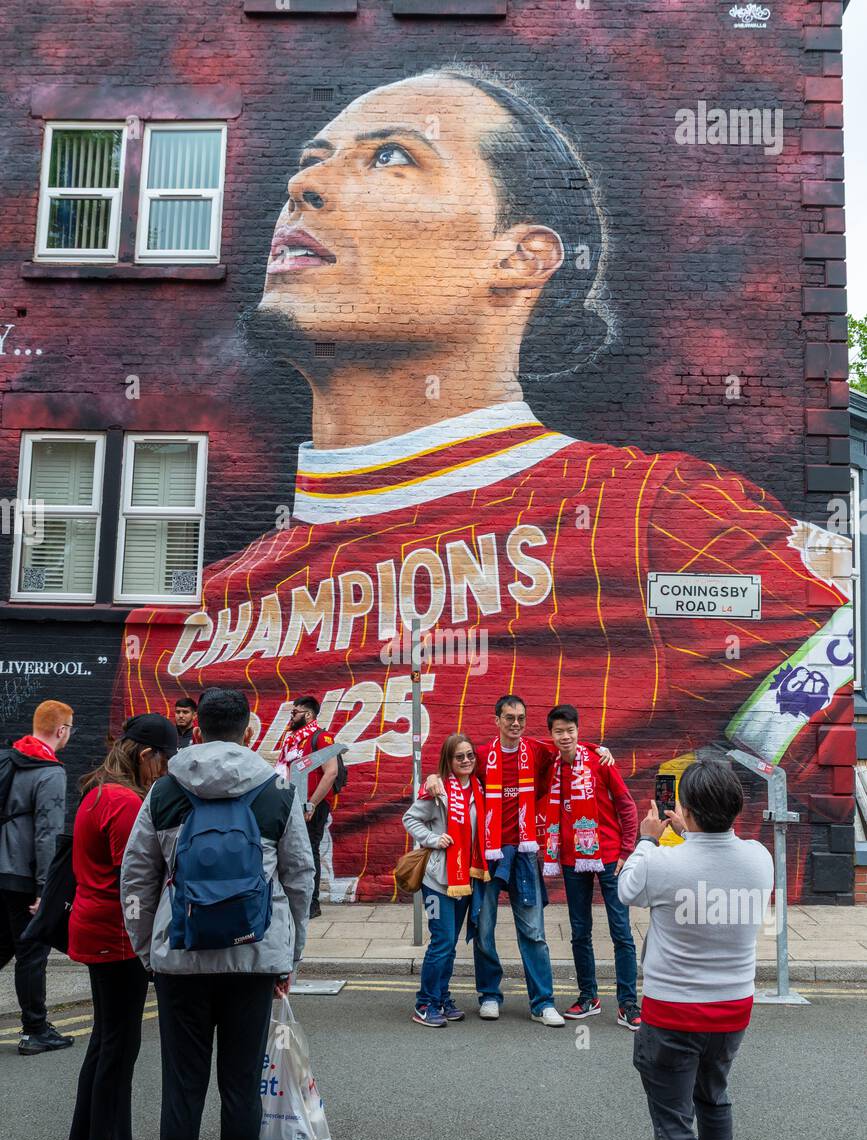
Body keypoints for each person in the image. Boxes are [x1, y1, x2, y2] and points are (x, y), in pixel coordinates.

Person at [116, 67, 851, 902]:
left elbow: (820, 765)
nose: (303, 184)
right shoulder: (182, 618)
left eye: (389, 157)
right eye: (311, 157)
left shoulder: (663, 517)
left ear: (519, 257)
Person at [120, 687, 314, 1140]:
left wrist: (147, 952)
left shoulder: (165, 789)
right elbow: (300, 878)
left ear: (196, 728)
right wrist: (288, 957)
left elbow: (137, 878)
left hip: (179, 962)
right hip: (253, 962)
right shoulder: (275, 788)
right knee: (238, 1090)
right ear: (250, 726)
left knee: (182, 1091)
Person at [616, 759, 773, 1140]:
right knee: (715, 1095)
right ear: (736, 808)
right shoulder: (759, 859)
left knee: (674, 1120)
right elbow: (716, 855)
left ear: (683, 808)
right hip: (732, 1010)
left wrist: (647, 837)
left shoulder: (661, 862)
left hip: (673, 1013)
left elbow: (626, 890)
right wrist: (687, 827)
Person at [57, 714, 178, 1140]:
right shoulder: (127, 803)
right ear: (147, 756)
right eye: (165, 762)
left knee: (103, 1052)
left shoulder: (99, 791)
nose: (166, 772)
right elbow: (139, 879)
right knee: (117, 1056)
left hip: (95, 927)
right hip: (116, 937)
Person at [541, 704, 640, 1030]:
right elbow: (521, 741)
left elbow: (626, 805)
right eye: (559, 731)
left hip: (610, 857)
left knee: (621, 931)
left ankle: (627, 1003)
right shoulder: (552, 765)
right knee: (579, 931)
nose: (565, 736)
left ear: (578, 730)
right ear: (552, 734)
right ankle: (588, 997)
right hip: (571, 859)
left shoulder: (600, 762)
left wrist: (627, 850)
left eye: (570, 730)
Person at [0, 699, 74, 1055]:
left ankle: (36, 1025)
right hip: (23, 875)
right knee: (32, 951)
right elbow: (48, 833)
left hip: (0, 869)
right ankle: (34, 1030)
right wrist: (46, 888)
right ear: (62, 731)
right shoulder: (49, 771)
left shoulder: (7, 758)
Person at [402, 733, 487, 1027]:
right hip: (438, 881)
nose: (466, 760)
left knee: (450, 945)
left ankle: (441, 997)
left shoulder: (479, 789)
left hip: (466, 879)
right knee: (441, 941)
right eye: (459, 756)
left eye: (469, 755)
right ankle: (425, 1003)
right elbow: (410, 819)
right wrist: (433, 839)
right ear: (448, 761)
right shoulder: (438, 792)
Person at [275, 695, 338, 919]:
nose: (291, 716)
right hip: (291, 802)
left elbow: (331, 772)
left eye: (295, 712)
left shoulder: (322, 737)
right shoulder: (293, 740)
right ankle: (297, 898)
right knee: (293, 851)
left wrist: (311, 803)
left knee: (309, 851)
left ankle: (312, 903)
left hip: (313, 805)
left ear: (308, 715)